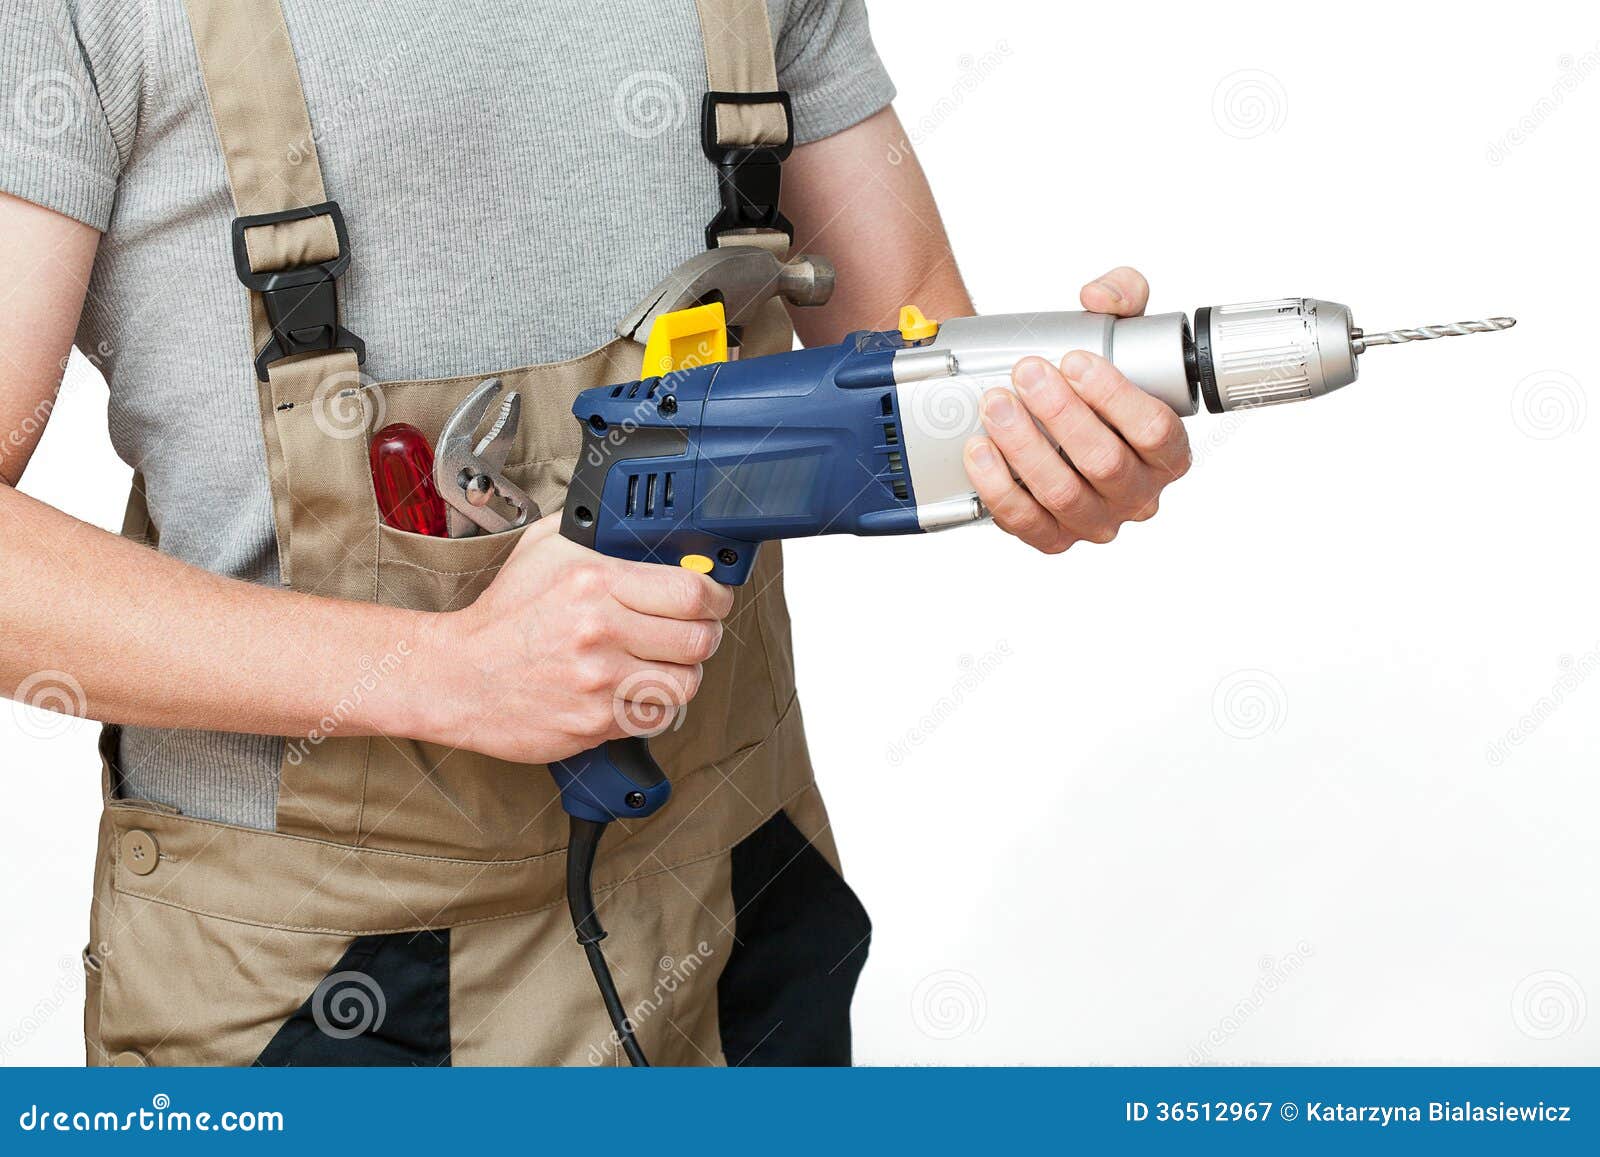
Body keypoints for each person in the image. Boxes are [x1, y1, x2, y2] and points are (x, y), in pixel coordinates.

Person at [0, 0, 1189, 1066]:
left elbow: (911, 339)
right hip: (326, 992)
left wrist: (1044, 440)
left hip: (733, 917)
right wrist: (440, 672)